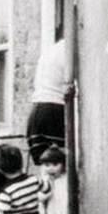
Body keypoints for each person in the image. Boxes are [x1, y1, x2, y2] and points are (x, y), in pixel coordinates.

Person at [27, 37, 68, 166]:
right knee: (60, 163)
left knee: (45, 165)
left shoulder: (51, 51)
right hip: (54, 110)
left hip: (37, 110)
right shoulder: (70, 50)